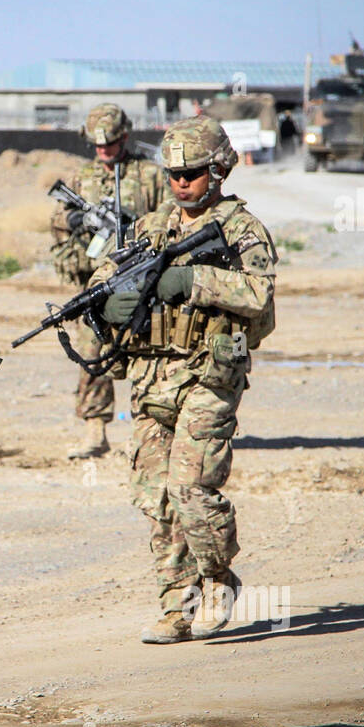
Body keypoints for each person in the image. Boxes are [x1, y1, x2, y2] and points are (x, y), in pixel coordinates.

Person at [90, 115, 276, 643]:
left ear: (218, 170)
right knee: (156, 496)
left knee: (191, 487)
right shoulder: (151, 227)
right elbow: (106, 273)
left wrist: (195, 280)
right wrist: (110, 299)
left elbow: (259, 295)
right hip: (152, 376)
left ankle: (217, 576)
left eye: (191, 172)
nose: (180, 182)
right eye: (172, 173)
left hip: (210, 375)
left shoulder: (242, 229)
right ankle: (177, 607)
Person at [48, 103, 167, 459]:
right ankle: (95, 431)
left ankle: (152, 429)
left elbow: (170, 216)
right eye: (98, 145)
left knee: (150, 350)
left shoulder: (149, 175)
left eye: (111, 143)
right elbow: (58, 218)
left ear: (125, 137)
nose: (105, 151)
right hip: (96, 282)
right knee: (93, 353)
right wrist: (78, 222)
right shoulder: (81, 176)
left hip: (142, 277)